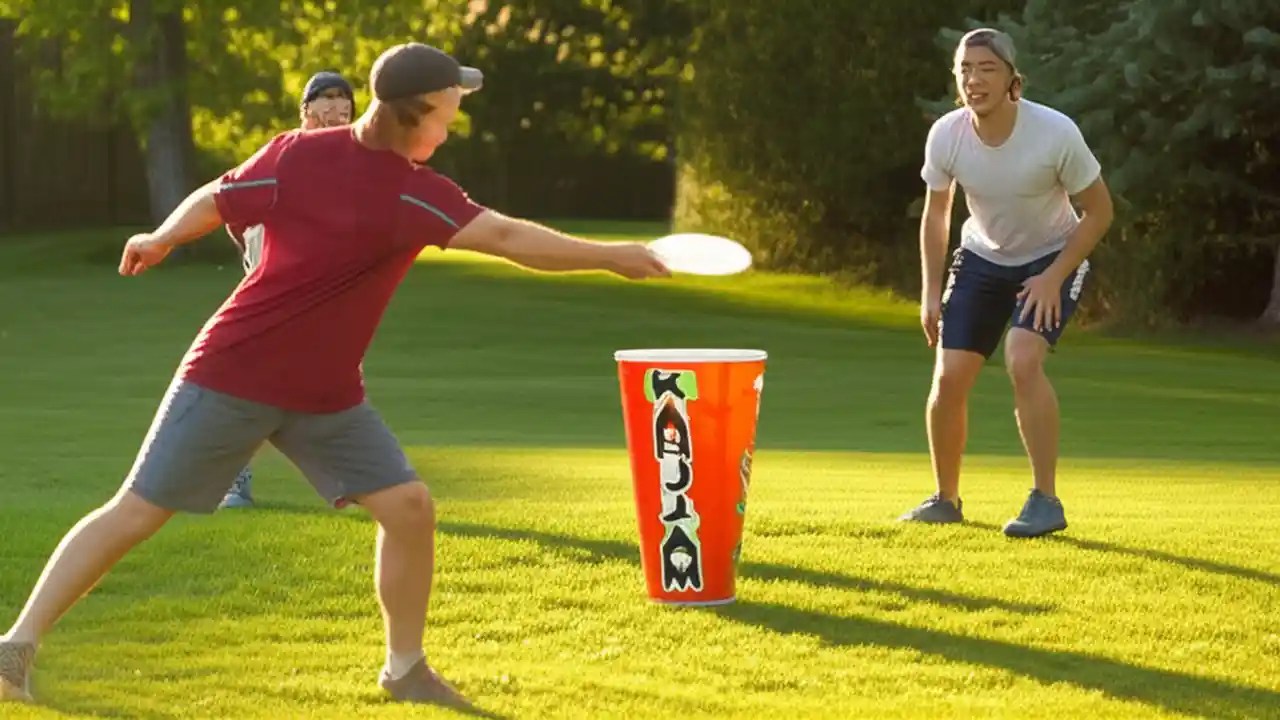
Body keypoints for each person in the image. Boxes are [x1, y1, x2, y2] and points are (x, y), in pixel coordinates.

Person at [0, 42, 668, 708]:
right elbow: (224, 196)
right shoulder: (345, 170)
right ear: (419, 114)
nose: (455, 121)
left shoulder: (394, 182)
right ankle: (15, 647)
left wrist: (164, 236)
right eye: (452, 110)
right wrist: (164, 235)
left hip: (325, 395)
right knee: (136, 513)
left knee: (408, 509)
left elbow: (506, 237)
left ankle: (405, 671)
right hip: (236, 371)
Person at [899, 28, 1114, 537]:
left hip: (1051, 256)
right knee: (948, 378)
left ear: (1012, 79)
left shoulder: (1054, 132)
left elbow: (1100, 212)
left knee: (1021, 359)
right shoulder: (947, 134)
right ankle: (945, 500)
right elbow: (937, 215)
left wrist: (1052, 277)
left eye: (987, 68)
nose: (975, 79)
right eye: (965, 69)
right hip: (980, 258)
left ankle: (1045, 500)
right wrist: (930, 291)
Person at [218, 70, 358, 510]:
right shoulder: (285, 152)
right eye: (326, 99)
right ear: (307, 110)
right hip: (277, 296)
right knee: (258, 392)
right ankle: (234, 477)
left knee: (334, 389)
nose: (337, 108)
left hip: (328, 300)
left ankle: (353, 478)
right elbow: (231, 201)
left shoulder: (356, 160)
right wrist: (256, 254)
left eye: (344, 100)